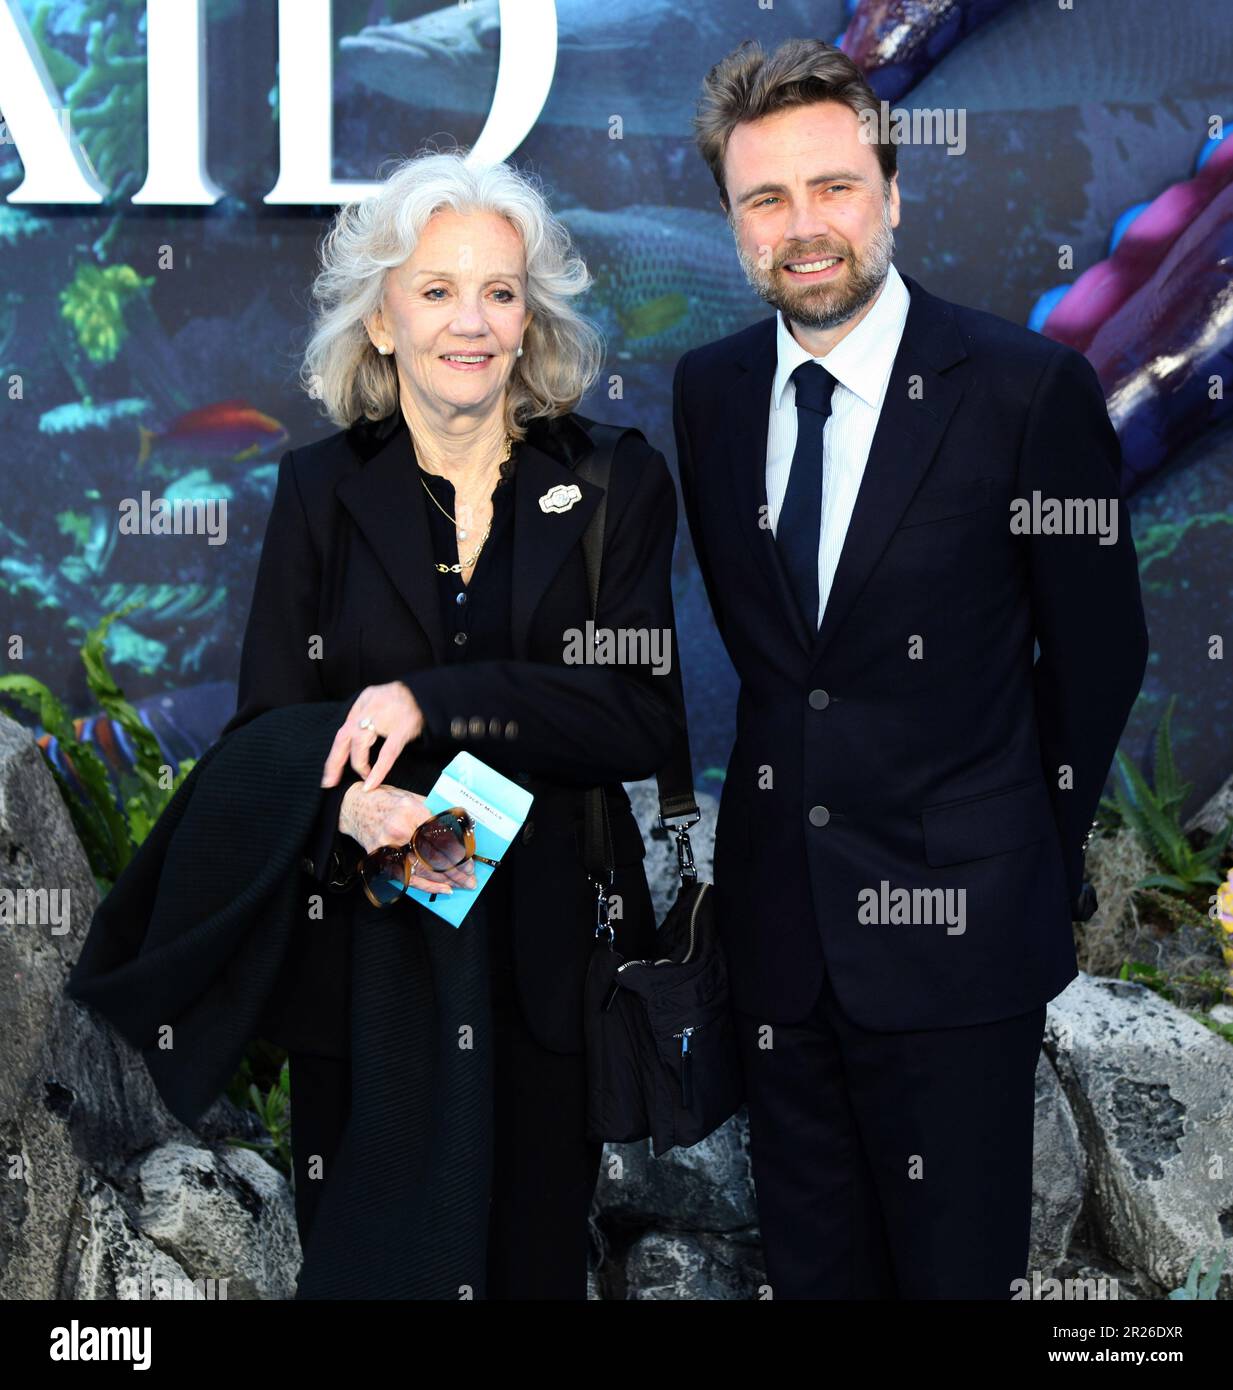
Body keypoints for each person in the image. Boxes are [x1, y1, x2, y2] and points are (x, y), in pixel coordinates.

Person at [672, 39, 1149, 1298]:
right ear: (731, 223)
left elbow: (1100, 656)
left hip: (959, 940)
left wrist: (1004, 856)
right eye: (765, 199)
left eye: (833, 187)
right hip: (779, 939)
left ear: (892, 190)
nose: (804, 226)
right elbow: (781, 664)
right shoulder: (709, 392)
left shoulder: (1026, 390)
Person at [221, 149, 684, 1299]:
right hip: (370, 964)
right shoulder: (321, 490)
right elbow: (265, 735)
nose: (468, 322)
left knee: (532, 1269)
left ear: (531, 318)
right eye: (435, 291)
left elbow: (637, 713)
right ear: (381, 320)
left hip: (544, 976)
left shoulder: (617, 479)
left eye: (499, 291)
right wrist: (353, 809)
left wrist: (435, 699)